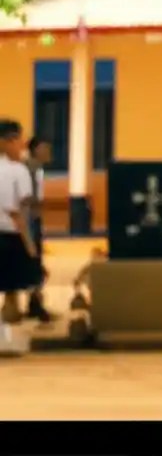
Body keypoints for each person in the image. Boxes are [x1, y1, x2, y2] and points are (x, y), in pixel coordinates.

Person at [0, 120, 37, 354]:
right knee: (12, 293)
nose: (22, 144)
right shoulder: (16, 171)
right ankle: (6, 341)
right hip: (9, 237)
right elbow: (18, 211)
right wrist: (29, 244)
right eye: (18, 139)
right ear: (6, 142)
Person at [23, 136, 53, 323]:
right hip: (29, 221)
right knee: (33, 261)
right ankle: (34, 302)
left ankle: (34, 301)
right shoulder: (29, 168)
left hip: (35, 219)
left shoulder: (37, 168)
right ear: (36, 149)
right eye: (45, 148)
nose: (48, 152)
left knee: (35, 261)